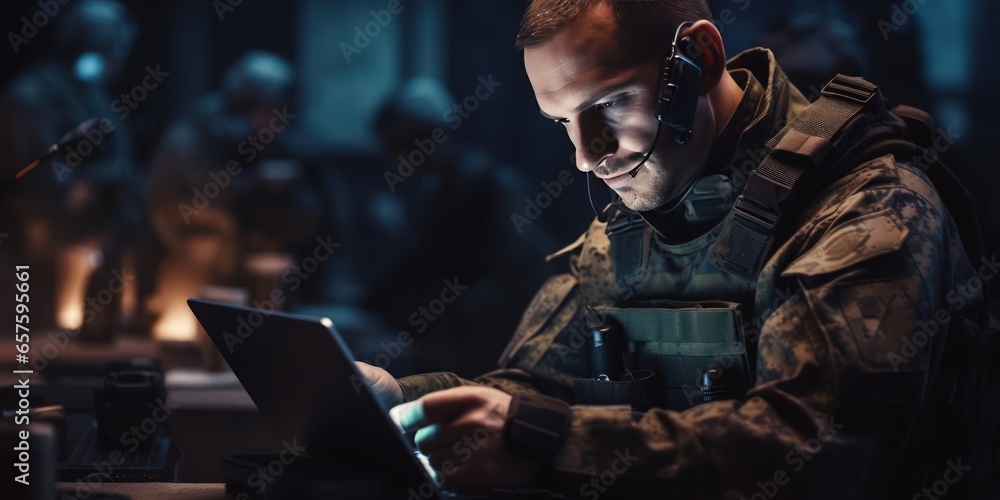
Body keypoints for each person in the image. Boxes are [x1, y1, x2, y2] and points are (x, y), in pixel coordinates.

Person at [358, 1, 998, 497]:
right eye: (562, 123)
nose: (586, 156)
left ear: (701, 57)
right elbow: (534, 386)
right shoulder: (638, 214)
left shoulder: (868, 208)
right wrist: (403, 403)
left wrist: (547, 443)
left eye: (609, 104)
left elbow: (815, 451)